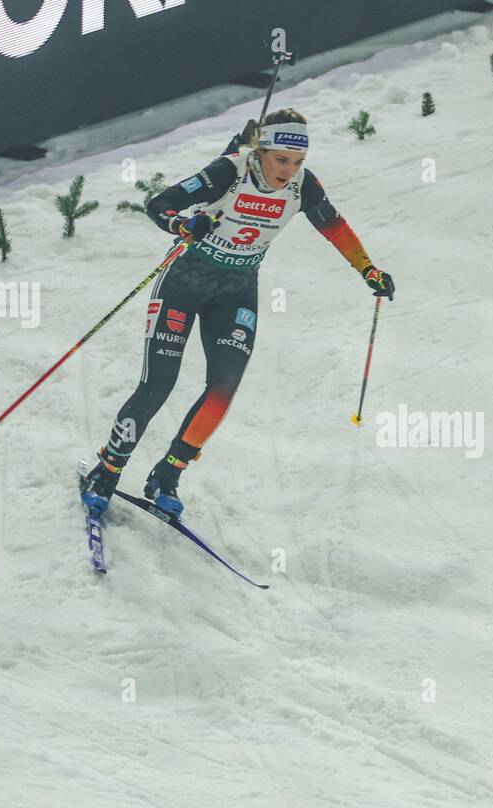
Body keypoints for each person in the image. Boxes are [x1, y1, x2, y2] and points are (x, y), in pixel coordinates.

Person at [79, 108, 395, 517]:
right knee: (158, 383)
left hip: (236, 293)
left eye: (297, 162)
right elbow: (161, 203)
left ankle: (168, 474)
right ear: (262, 151)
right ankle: (108, 470)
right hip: (184, 284)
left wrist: (367, 268)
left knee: (223, 388)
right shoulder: (230, 170)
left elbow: (333, 225)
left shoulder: (303, 186)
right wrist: (182, 224)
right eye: (280, 159)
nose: (288, 170)